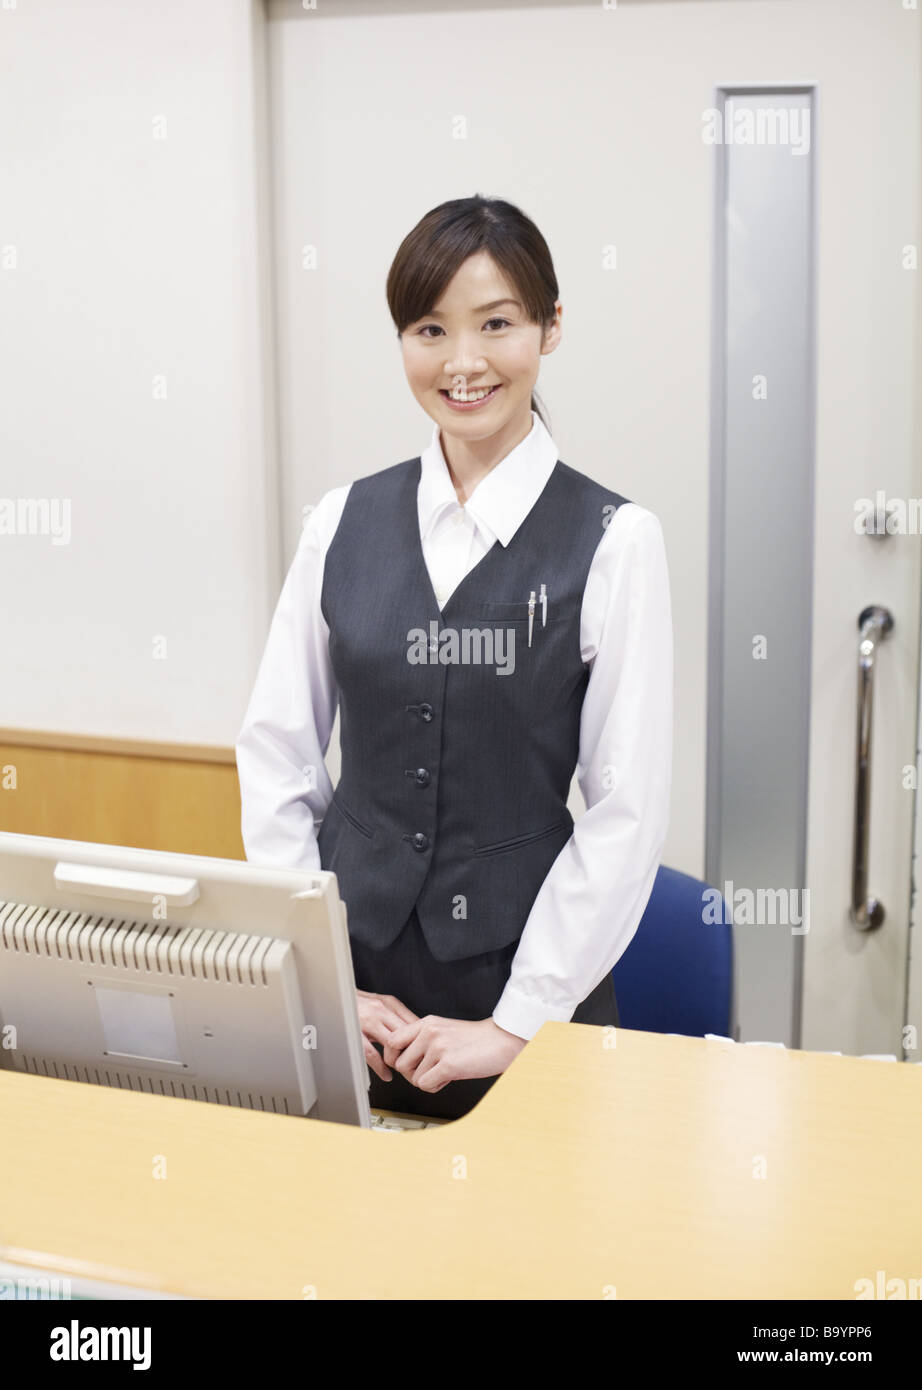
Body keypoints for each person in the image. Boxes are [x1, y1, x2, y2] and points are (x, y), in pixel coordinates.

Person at [235, 194, 673, 1119]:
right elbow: (277, 754)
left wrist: (517, 1026)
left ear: (551, 329)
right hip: (347, 1001)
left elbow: (625, 811)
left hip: (530, 1001)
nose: (464, 362)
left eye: (498, 324)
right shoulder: (339, 522)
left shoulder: (615, 541)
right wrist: (318, 982)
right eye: (430, 328)